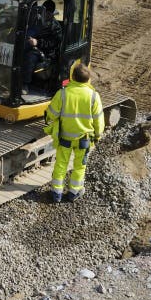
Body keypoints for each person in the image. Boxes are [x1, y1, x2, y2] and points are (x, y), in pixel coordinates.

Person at [43, 63, 105, 203]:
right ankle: (74, 192)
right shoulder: (94, 96)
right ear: (88, 79)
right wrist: (98, 135)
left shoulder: (63, 94)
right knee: (80, 166)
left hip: (65, 137)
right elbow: (98, 121)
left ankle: (56, 193)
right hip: (84, 139)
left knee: (61, 164)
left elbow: (51, 114)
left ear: (72, 77)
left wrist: (48, 120)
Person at [23, 0, 63, 94]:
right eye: (44, 12)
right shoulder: (37, 20)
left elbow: (53, 43)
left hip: (47, 52)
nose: (46, 15)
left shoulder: (55, 27)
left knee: (30, 57)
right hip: (34, 46)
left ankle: (25, 84)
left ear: (51, 13)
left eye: (48, 13)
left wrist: (38, 42)